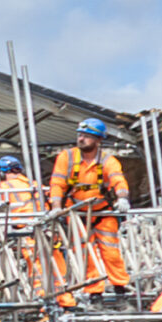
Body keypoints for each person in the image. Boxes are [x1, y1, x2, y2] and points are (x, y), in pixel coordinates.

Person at [49, 119, 132, 304]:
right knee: (86, 255)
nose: (81, 139)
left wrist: (122, 197)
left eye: (87, 136)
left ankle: (121, 292)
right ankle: (95, 295)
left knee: (111, 253)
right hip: (78, 215)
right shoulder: (67, 157)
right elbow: (57, 183)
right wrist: (56, 207)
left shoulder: (107, 160)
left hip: (103, 213)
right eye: (80, 135)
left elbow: (117, 179)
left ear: (98, 140)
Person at [0, 153, 48, 290]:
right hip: (45, 228)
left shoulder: (2, 187)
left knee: (35, 263)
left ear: (2, 172)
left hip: (25, 230)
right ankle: (59, 295)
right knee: (50, 260)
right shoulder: (35, 184)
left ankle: (40, 293)